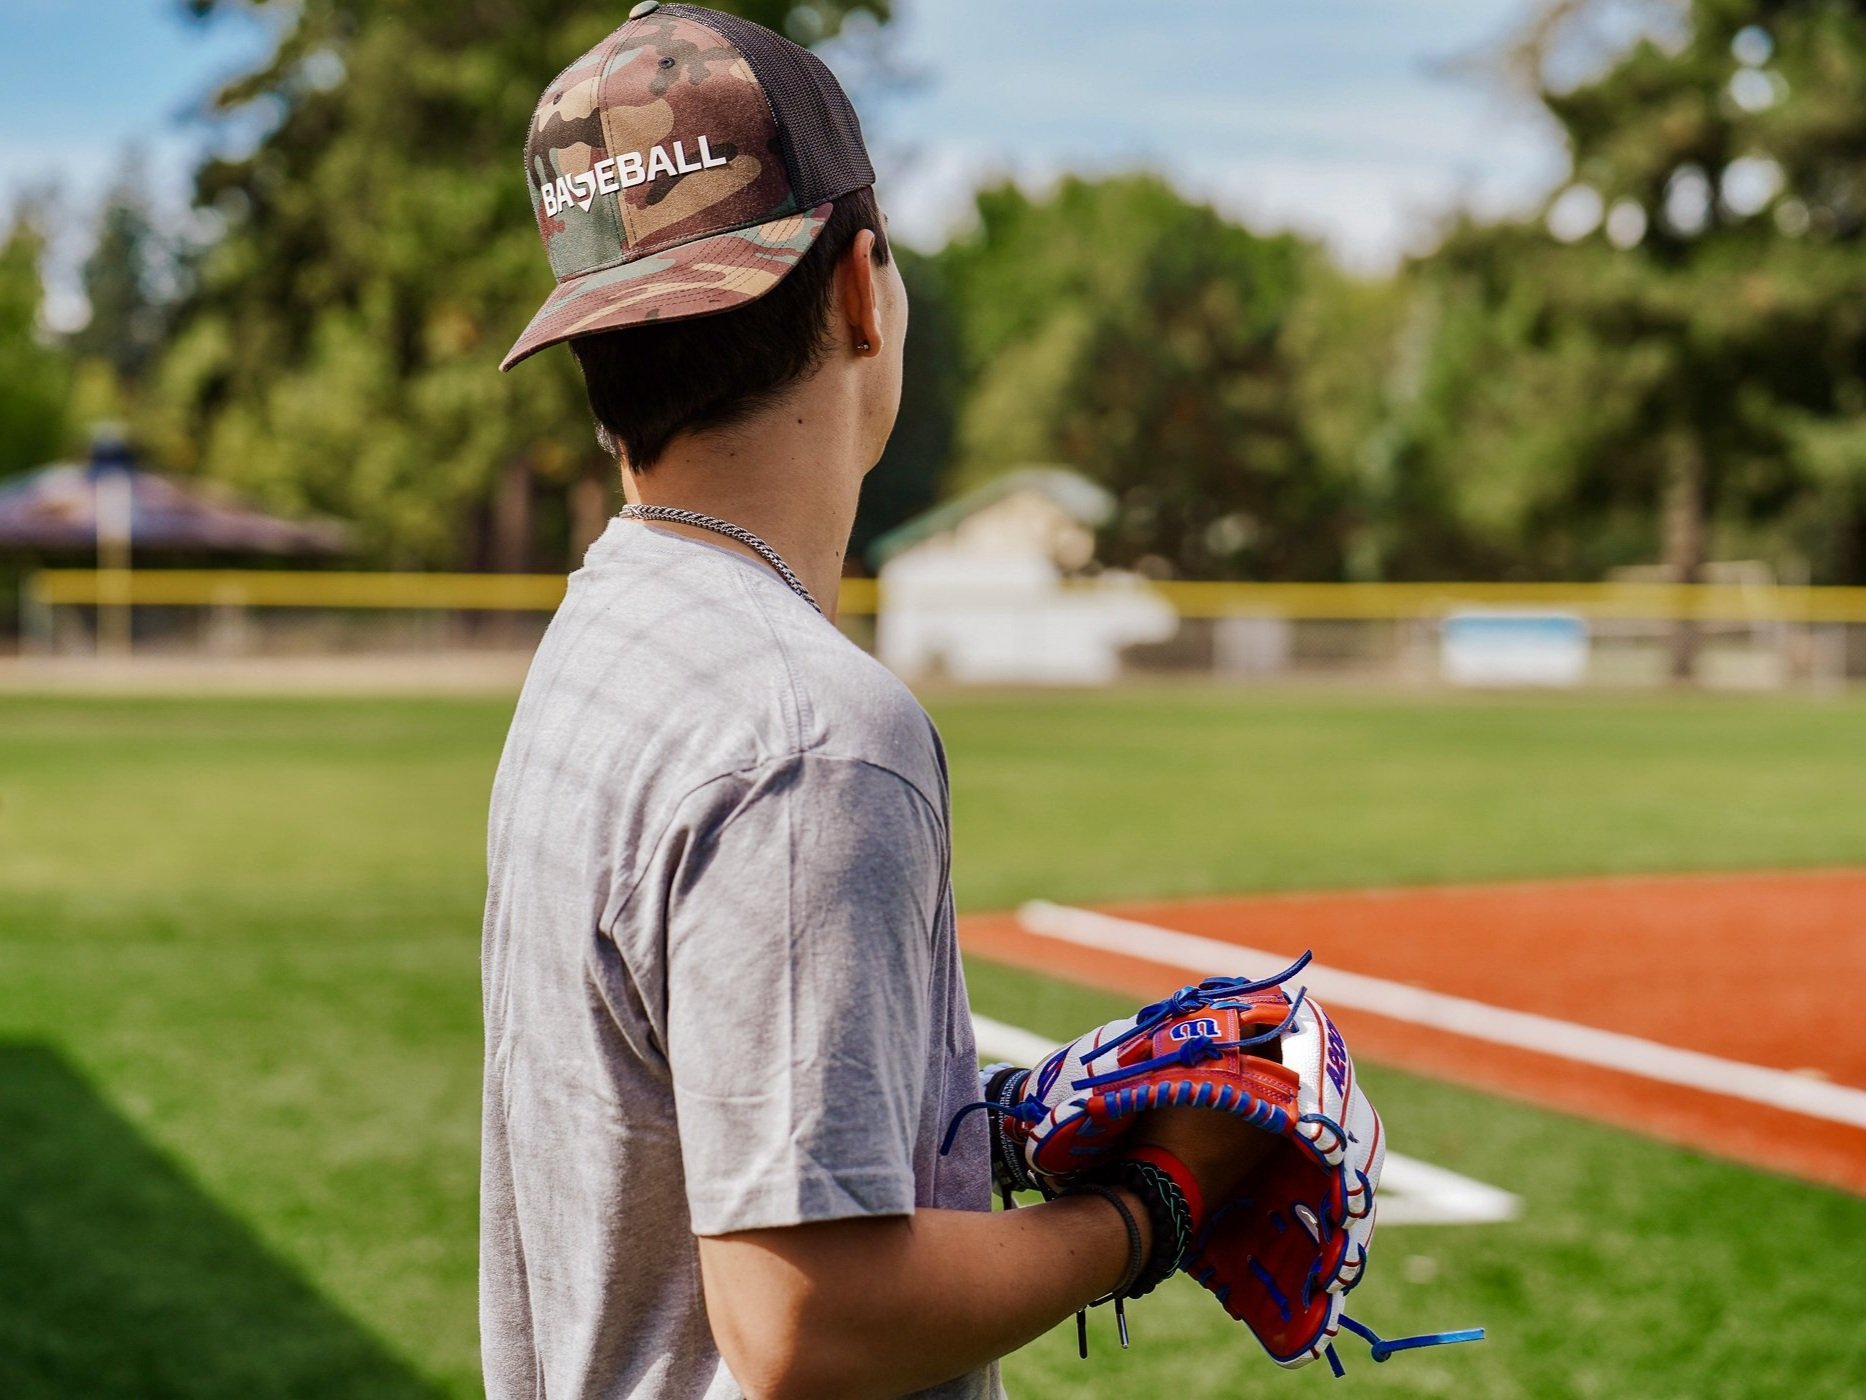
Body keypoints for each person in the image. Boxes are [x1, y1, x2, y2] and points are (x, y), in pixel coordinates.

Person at [481, 6, 1262, 1397]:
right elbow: (807, 1320)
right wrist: (1157, 1207)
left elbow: (686, 1114)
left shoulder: (609, 625)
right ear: (860, 287)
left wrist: (991, 1124)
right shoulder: (810, 734)